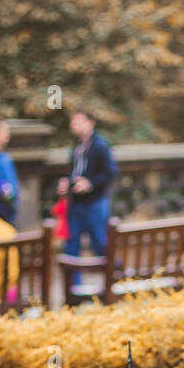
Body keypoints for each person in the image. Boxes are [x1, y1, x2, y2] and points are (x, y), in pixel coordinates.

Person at [57, 107, 118, 292]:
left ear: (90, 123)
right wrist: (67, 183)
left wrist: (89, 183)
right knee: (71, 246)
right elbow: (76, 172)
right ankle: (73, 288)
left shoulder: (100, 146)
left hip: (94, 203)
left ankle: (113, 282)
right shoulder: (76, 148)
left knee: (100, 243)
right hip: (76, 204)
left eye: (78, 121)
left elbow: (110, 173)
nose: (73, 125)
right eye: (72, 121)